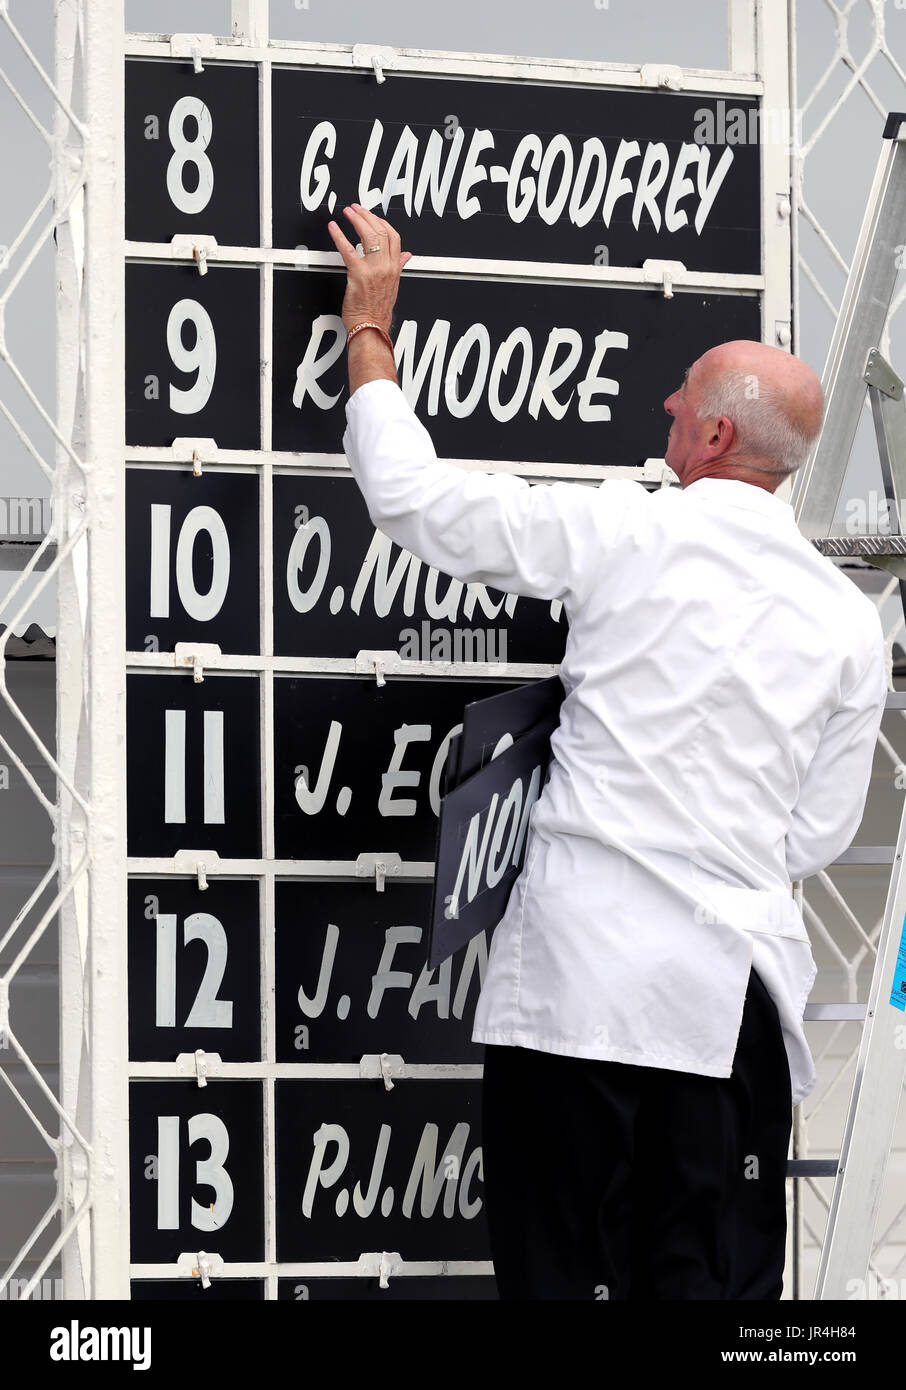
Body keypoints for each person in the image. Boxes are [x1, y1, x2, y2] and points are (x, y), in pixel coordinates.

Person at [327, 203, 888, 1300]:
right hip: (730, 1010)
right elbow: (818, 831)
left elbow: (414, 497)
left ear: (716, 438)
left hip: (578, 996)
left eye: (684, 397)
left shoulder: (627, 530)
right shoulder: (846, 621)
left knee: (556, 1284)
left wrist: (370, 331)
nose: (666, 404)